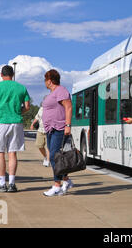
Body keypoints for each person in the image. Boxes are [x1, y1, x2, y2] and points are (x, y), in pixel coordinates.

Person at [0, 65, 30, 193]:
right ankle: (11, 184)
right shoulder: (21, 87)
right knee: (12, 153)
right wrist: (17, 113)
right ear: (13, 74)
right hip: (16, 123)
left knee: (0, 153)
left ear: (1, 74)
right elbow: (27, 106)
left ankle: (1, 183)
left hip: (0, 122)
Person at [42, 69, 74, 197]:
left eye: (45, 80)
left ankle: (57, 185)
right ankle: (67, 180)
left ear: (49, 80)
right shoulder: (53, 93)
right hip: (51, 129)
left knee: (55, 157)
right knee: (55, 157)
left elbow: (68, 107)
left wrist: (67, 125)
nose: (44, 82)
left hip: (59, 128)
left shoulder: (61, 90)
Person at [30, 102, 50, 167]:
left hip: (49, 131)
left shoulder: (52, 109)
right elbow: (37, 117)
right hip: (40, 130)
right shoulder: (41, 109)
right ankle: (45, 156)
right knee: (39, 146)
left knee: (48, 147)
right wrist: (32, 124)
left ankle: (48, 161)